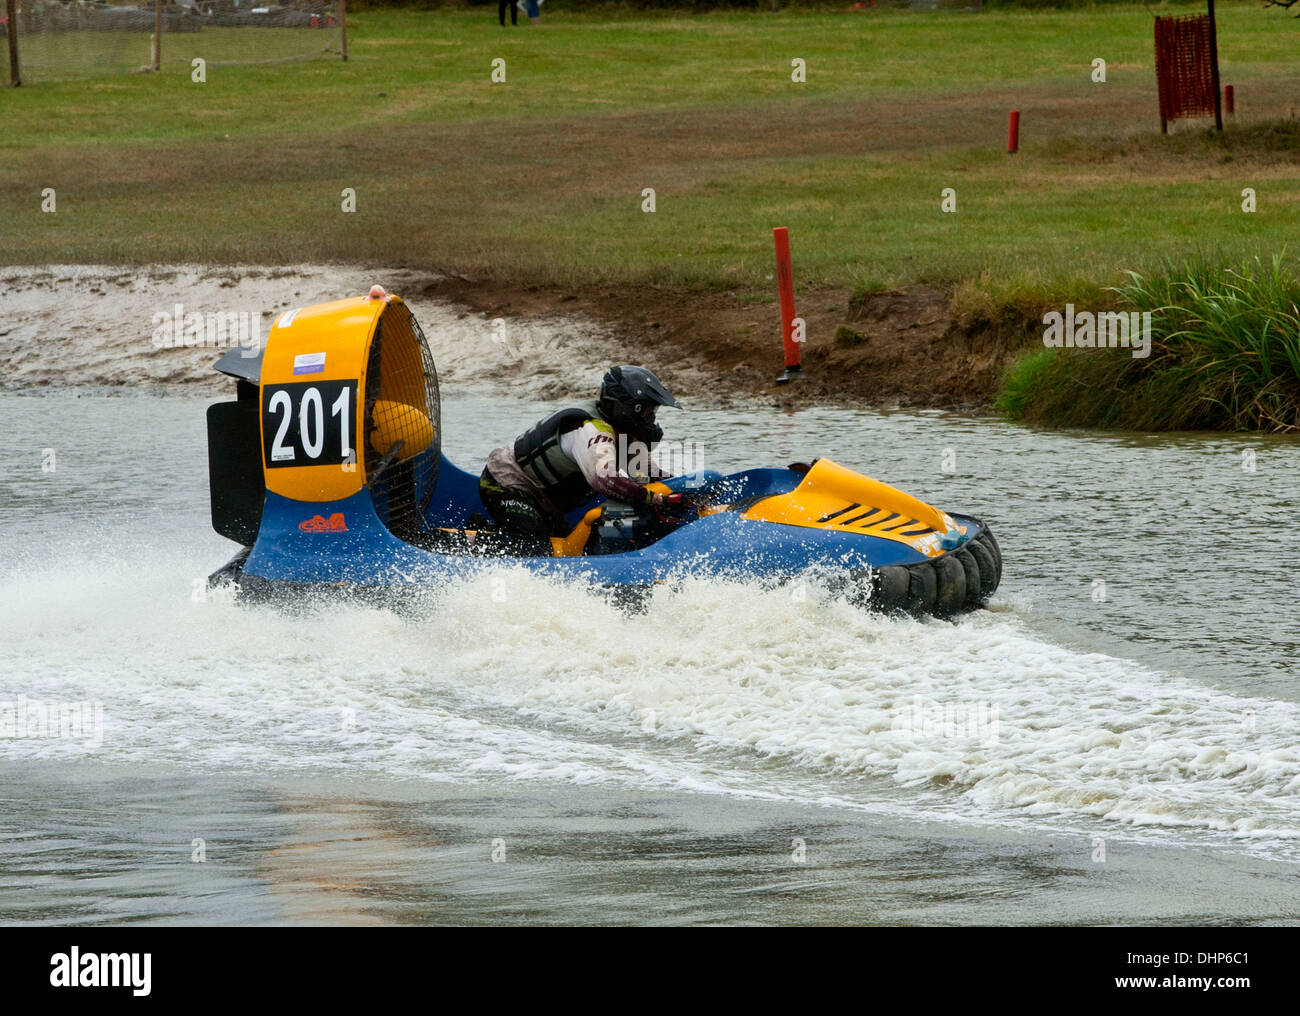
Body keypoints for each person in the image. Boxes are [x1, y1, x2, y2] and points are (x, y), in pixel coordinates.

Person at [478, 366, 693, 554]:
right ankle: (466, 542)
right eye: (647, 412)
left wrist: (686, 492)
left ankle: (486, 529)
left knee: (574, 547)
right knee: (534, 549)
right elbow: (605, 480)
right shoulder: (590, 430)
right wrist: (655, 499)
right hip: (504, 484)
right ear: (627, 408)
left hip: (541, 501)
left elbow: (649, 475)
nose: (651, 419)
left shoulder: (625, 435)